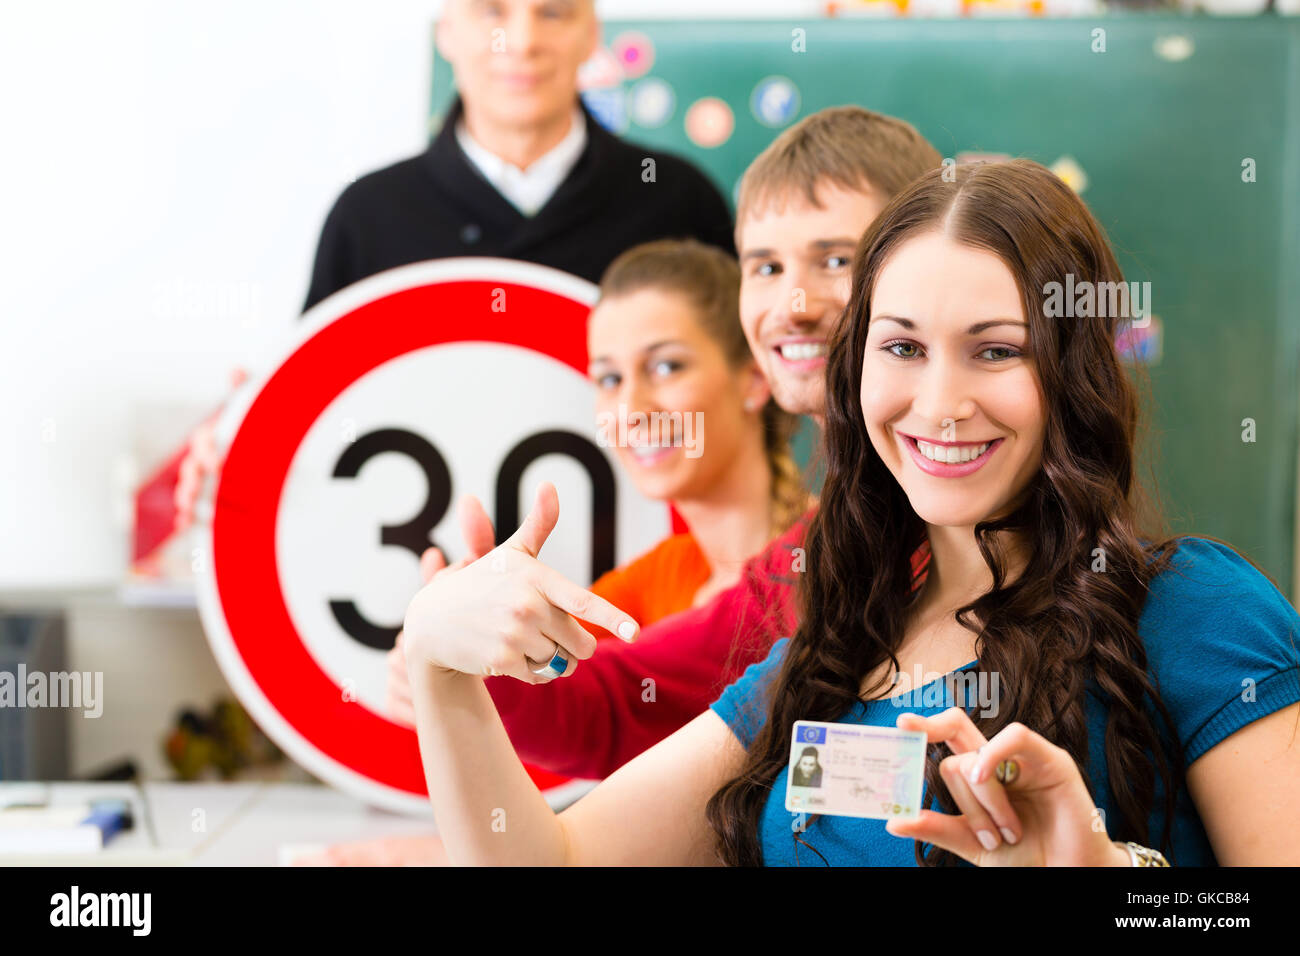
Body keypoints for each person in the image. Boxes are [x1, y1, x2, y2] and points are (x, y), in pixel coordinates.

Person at [401, 159, 1300, 866]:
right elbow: (551, 861)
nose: (939, 403)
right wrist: (443, 664)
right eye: (902, 346)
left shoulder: (1194, 611)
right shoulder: (821, 661)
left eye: (995, 352)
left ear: (1073, 375)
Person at [390, 106, 942, 779]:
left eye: (835, 259)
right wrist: (473, 648)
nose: (793, 303)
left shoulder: (979, 522)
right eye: (764, 267)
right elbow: (618, 706)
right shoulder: (802, 565)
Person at [298, 237, 804, 865]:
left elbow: (602, 706)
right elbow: (578, 701)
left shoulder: (817, 569)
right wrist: (462, 640)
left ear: (755, 378)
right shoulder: (649, 583)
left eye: (667, 367)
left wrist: (461, 658)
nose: (631, 408)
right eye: (609, 378)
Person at [174, 0, 733, 528]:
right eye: (491, 9)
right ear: (446, 30)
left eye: (553, 11)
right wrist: (243, 443)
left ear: (591, 35)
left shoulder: (676, 201)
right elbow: (313, 416)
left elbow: (744, 414)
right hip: (416, 597)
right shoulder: (369, 215)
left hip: (646, 591)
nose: (522, 40)